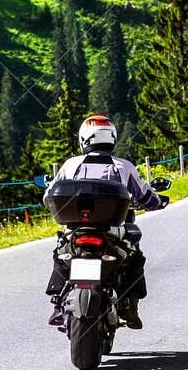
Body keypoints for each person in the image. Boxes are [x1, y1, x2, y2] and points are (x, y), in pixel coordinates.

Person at [45, 114, 166, 329]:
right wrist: (157, 202)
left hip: (76, 229)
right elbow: (147, 197)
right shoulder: (123, 166)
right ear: (111, 137)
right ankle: (130, 306)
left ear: (84, 139)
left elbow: (48, 196)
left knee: (60, 253)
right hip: (112, 229)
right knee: (134, 258)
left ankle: (56, 302)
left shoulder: (70, 165)